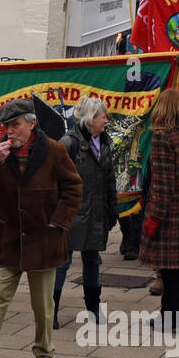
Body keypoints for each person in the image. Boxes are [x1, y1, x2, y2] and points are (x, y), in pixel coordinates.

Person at [0, 97, 82, 358]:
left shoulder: (54, 150)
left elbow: (74, 187)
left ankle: (43, 351)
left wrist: (58, 222)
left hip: (44, 238)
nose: (9, 132)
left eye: (15, 125)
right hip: (10, 238)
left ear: (31, 123)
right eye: (6, 126)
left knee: (42, 302)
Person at [138, 88, 179, 335]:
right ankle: (168, 316)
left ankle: (177, 321)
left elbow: (163, 184)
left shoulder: (163, 137)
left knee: (170, 273)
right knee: (174, 271)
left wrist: (153, 218)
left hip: (168, 215)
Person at [56, 96, 117, 327]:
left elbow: (109, 179)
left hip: (96, 213)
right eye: (103, 116)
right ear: (91, 119)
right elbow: (56, 181)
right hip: (71, 214)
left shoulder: (105, 142)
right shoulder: (68, 143)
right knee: (63, 261)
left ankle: (94, 309)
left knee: (92, 260)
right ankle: (51, 311)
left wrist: (113, 211)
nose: (106, 120)